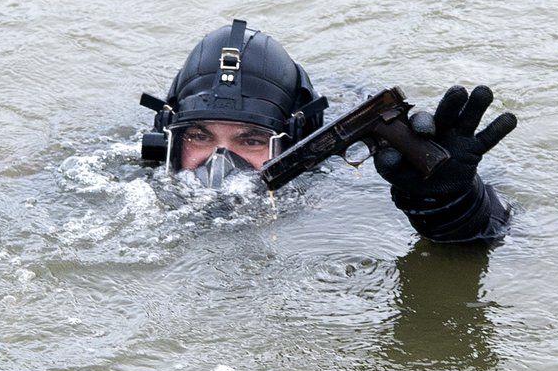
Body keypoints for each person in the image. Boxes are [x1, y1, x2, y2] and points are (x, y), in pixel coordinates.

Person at [139, 19, 517, 242]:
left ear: (292, 141)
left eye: (251, 140)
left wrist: (450, 203)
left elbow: (508, 236)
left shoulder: (343, 187)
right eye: (199, 136)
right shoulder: (126, 179)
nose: (218, 163)